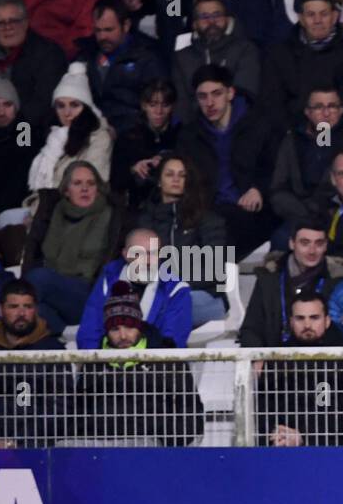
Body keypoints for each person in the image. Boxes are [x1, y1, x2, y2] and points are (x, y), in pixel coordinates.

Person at [74, 281, 205, 446]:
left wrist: (160, 438)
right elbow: (76, 414)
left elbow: (190, 412)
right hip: (101, 452)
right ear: (107, 331)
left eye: (129, 327)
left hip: (156, 451)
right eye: (115, 329)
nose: (122, 336)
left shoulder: (166, 359)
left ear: (139, 326)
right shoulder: (93, 363)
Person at [176, 64, 278, 256]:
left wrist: (258, 189)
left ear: (230, 93)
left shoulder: (259, 124)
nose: (210, 103)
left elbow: (276, 166)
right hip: (209, 210)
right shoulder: (190, 135)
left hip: (251, 209)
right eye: (203, 96)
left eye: (216, 94)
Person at [21, 161, 126, 335]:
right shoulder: (53, 213)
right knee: (37, 311)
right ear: (66, 190)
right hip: (53, 294)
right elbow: (34, 253)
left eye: (90, 183)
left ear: (98, 188)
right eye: (77, 183)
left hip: (88, 292)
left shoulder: (111, 216)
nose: (84, 189)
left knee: (36, 280)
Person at [255, 288, 343, 447]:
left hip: (333, 450)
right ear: (290, 322)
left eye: (314, 317)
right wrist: (277, 432)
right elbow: (263, 410)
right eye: (300, 318)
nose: (307, 324)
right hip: (280, 447)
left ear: (327, 320)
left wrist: (303, 436)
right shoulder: (276, 359)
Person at [260, 0, 343, 131]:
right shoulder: (280, 55)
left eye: (324, 14)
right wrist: (296, 135)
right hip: (292, 135)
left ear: (334, 17)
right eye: (310, 15)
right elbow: (272, 103)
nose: (317, 20)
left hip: (342, 137)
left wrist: (336, 139)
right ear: (301, 19)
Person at [136, 154, 230, 326]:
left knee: (170, 305)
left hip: (203, 295)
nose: (176, 179)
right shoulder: (146, 221)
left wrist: (175, 286)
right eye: (170, 174)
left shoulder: (207, 219)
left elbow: (214, 269)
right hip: (157, 296)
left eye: (182, 175)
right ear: (159, 181)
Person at [269, 85, 343, 235]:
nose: (326, 113)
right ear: (308, 112)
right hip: (299, 216)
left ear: (341, 110)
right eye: (319, 107)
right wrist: (304, 214)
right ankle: (223, 258)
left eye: (332, 106)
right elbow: (278, 188)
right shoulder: (293, 139)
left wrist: (321, 209)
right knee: (280, 242)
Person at [0, 278, 68, 448]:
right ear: (0, 310)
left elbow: (57, 410)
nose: (21, 313)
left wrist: (18, 441)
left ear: (35, 310)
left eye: (27, 306)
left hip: (34, 448)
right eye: (13, 307)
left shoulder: (52, 351)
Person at [240, 221, 343, 348]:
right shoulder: (268, 280)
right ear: (292, 243)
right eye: (305, 243)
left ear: (326, 246)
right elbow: (250, 329)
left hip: (325, 362)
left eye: (319, 243)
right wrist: (257, 356)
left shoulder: (339, 280)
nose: (312, 251)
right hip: (275, 363)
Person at [76, 227, 193, 350]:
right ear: (126, 255)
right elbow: (90, 332)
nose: (148, 261)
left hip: (154, 365)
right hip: (108, 363)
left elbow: (172, 341)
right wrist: (99, 364)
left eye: (153, 253)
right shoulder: (108, 280)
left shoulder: (175, 289)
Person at [0, 0, 67, 133]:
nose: (8, 28)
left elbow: (42, 105)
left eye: (14, 21)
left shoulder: (49, 54)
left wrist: (11, 130)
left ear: (25, 23)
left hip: (28, 130)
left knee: (21, 146)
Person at [76, 0, 166, 135]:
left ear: (126, 25)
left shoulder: (147, 57)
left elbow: (157, 109)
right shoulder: (86, 54)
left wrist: (120, 130)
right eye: (98, 30)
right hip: (92, 131)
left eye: (109, 30)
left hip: (133, 134)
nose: (102, 37)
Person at [172, 0, 263, 126]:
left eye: (217, 15)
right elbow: (181, 105)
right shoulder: (182, 57)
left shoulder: (245, 49)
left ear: (226, 19)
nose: (212, 21)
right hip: (196, 132)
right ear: (194, 24)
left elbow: (245, 96)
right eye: (204, 17)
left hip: (238, 128)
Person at [26, 62, 113, 195]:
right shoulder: (54, 137)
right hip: (47, 206)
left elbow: (90, 187)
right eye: (61, 106)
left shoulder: (99, 138)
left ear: (87, 108)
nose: (67, 112)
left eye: (74, 105)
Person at [3, 0, 110, 59]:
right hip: (5, 50)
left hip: (49, 60)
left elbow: (80, 39)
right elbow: (0, 11)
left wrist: (39, 51)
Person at [0, 79, 39, 224]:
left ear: (15, 107)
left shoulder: (24, 129)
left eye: (7, 104)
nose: (2, 112)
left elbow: (23, 171)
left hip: (15, 214)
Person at [111, 79, 181, 210]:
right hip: (138, 206)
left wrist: (167, 162)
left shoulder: (182, 136)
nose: (158, 111)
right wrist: (133, 169)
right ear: (144, 105)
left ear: (172, 106)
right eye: (153, 104)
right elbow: (115, 180)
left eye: (165, 105)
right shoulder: (127, 139)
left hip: (175, 205)